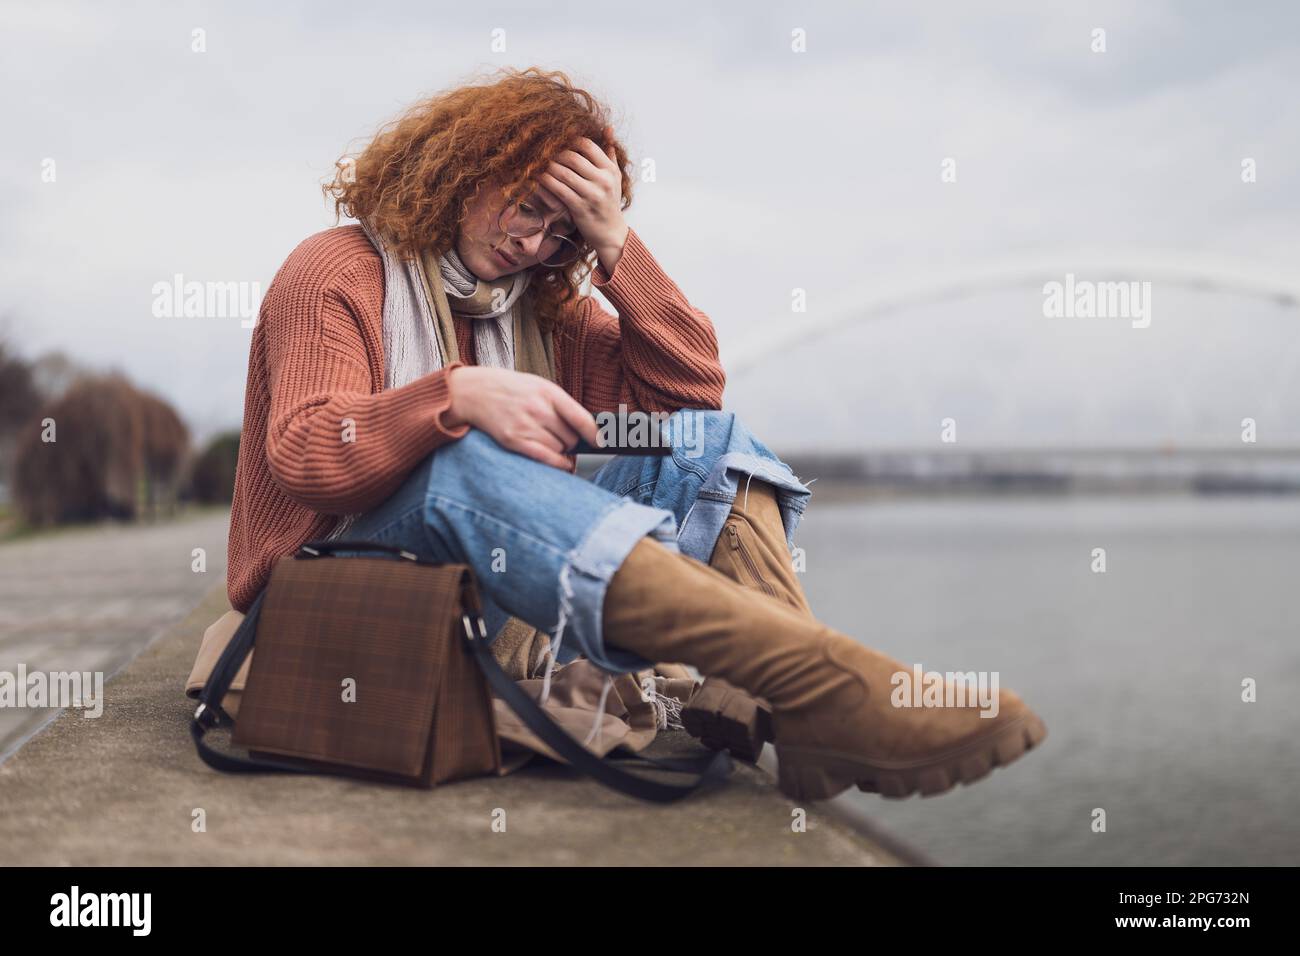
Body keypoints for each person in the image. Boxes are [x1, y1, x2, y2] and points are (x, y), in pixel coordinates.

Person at [225, 66, 1046, 801]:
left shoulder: (542, 312)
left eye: (564, 232)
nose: (533, 242)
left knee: (697, 443)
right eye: (530, 205)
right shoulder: (337, 270)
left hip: (486, 596)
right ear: (461, 170)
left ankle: (779, 702)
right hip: (334, 591)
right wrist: (458, 396)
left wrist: (620, 247)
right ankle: (821, 683)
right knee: (460, 462)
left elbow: (692, 404)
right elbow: (304, 453)